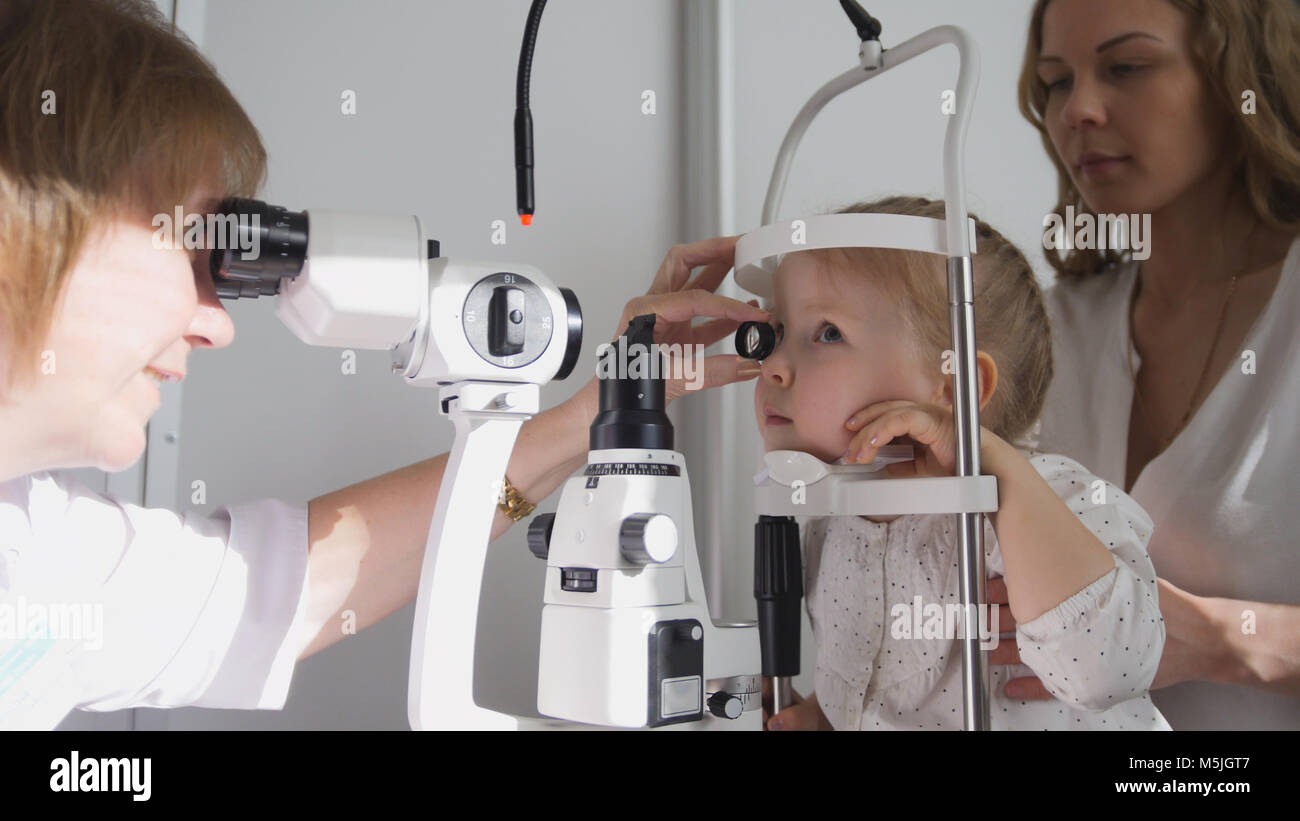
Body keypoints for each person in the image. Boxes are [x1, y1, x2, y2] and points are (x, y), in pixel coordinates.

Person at [0, 0, 768, 729]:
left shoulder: (42, 555)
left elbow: (286, 591)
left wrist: (595, 414)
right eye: (188, 245)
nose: (216, 326)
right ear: (21, 214)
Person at [758, 196, 1168, 730]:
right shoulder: (833, 523)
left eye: (828, 332)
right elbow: (873, 684)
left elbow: (1111, 668)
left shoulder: (1048, 498)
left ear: (953, 389)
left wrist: (989, 461)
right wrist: (824, 716)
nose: (774, 366)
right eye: (778, 332)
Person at [1009, 0, 1300, 729]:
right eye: (1054, 82)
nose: (1078, 109)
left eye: (1126, 68)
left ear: (1244, 78)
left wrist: (1220, 640)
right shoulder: (1044, 334)